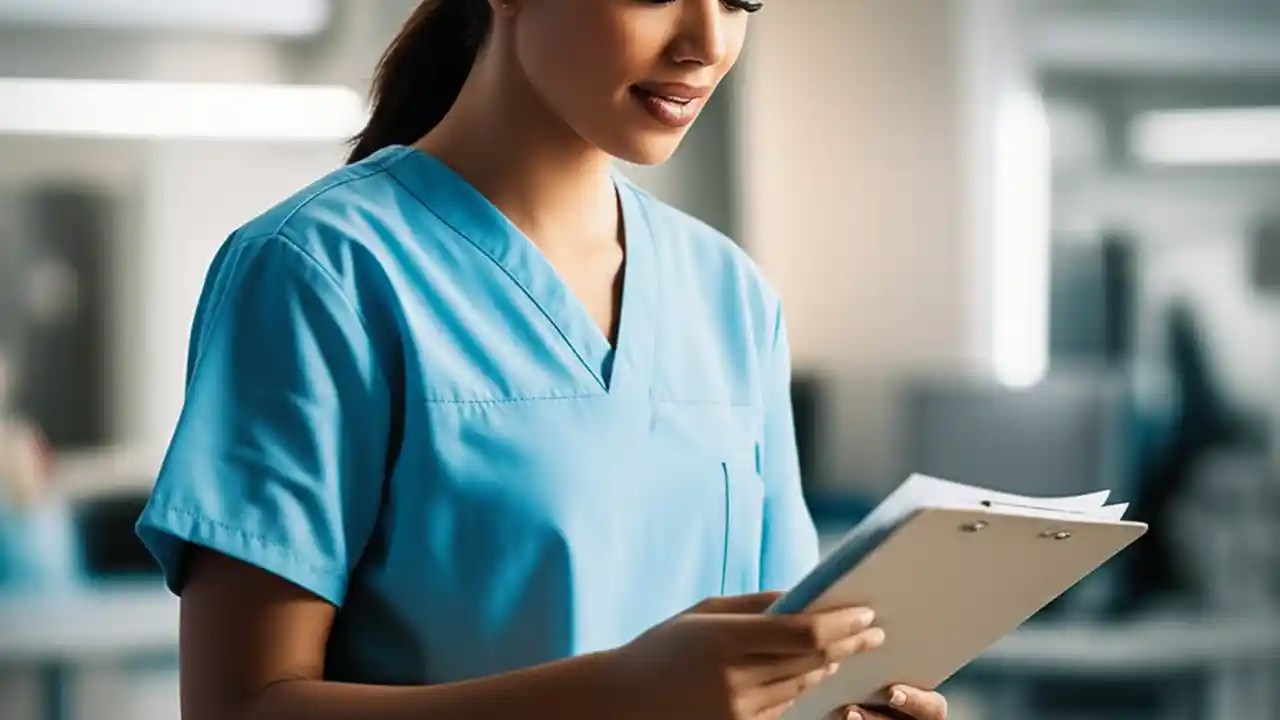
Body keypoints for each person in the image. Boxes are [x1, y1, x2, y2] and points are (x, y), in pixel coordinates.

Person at [135, 2, 947, 719]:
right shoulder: (322, 270)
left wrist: (835, 707)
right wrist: (616, 698)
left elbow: (778, 671)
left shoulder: (730, 294)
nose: (706, 41)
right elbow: (239, 706)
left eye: (741, 1)